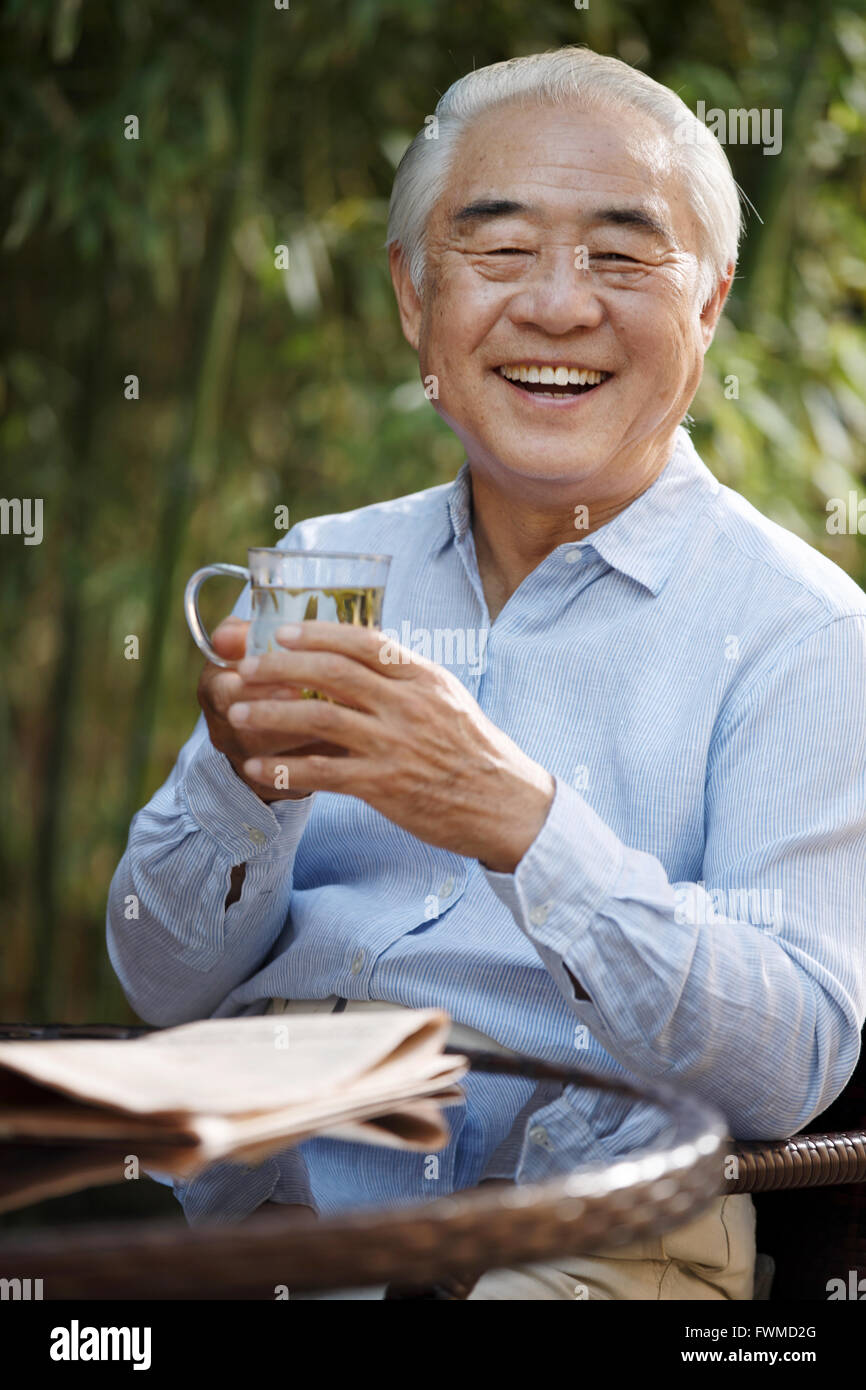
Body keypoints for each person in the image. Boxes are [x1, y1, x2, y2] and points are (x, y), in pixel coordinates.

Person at [107, 46, 866, 1300]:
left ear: (711, 304)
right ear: (414, 297)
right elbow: (153, 974)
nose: (558, 307)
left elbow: (788, 1060)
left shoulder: (805, 635)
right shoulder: (322, 565)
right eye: (499, 251)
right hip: (268, 1224)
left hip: (590, 1239)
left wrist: (519, 822)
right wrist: (244, 788)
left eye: (622, 256)